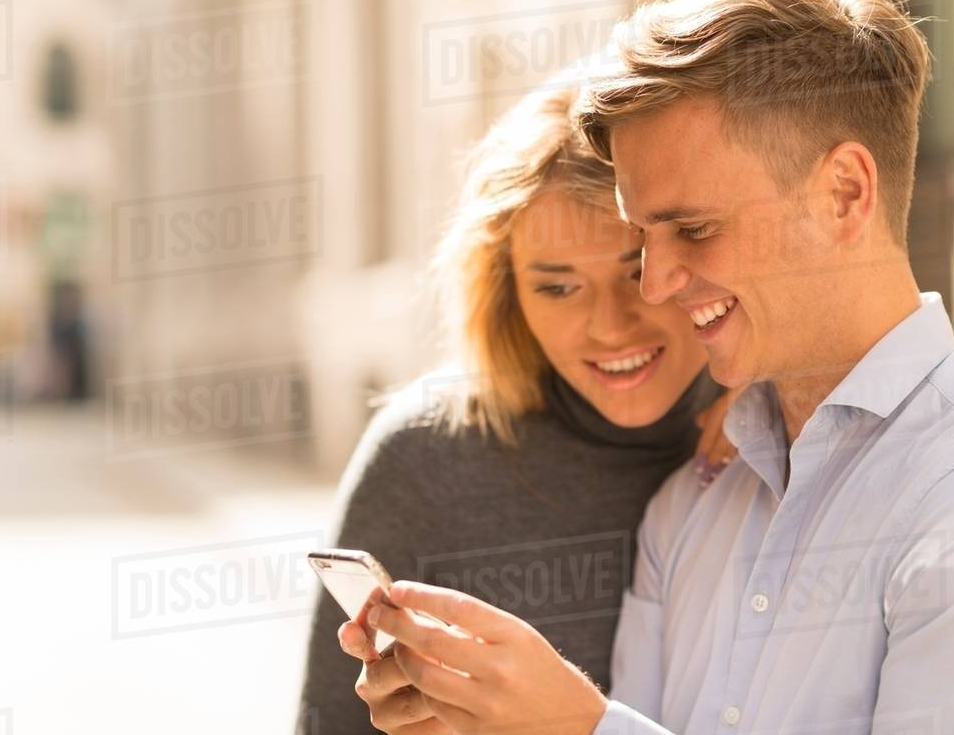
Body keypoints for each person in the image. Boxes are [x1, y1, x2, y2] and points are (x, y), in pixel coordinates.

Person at [350, 0, 954, 735]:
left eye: (693, 229)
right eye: (643, 235)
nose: (654, 285)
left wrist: (580, 727)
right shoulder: (690, 504)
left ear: (844, 194)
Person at [295, 81, 733, 735]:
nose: (610, 326)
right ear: (508, 295)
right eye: (558, 287)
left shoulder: (784, 430)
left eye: (635, 269)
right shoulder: (424, 458)